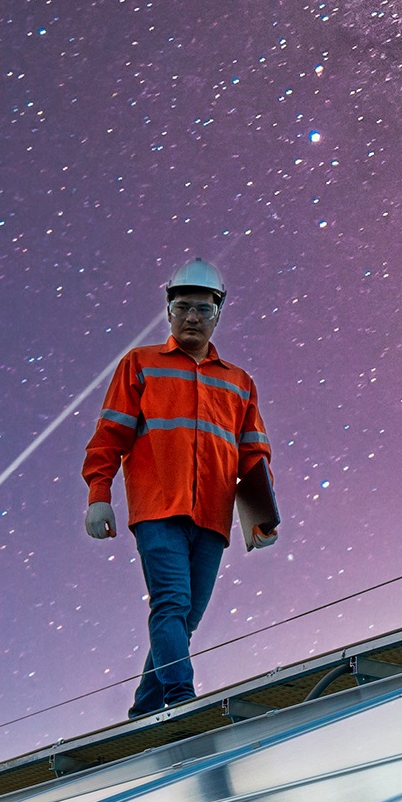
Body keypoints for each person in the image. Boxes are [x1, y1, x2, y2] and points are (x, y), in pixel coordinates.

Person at [81, 261, 277, 717]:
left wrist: (262, 516)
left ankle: (144, 711)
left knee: (185, 618)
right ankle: (181, 700)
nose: (192, 317)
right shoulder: (140, 365)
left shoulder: (239, 382)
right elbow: (110, 435)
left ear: (218, 315)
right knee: (171, 603)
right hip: (158, 511)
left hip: (213, 516)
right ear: (168, 311)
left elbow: (253, 456)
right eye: (182, 307)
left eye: (203, 309)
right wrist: (98, 496)